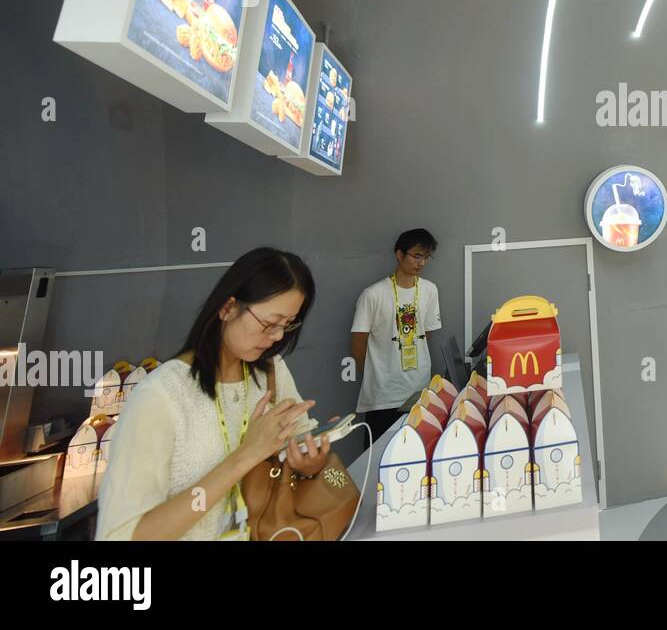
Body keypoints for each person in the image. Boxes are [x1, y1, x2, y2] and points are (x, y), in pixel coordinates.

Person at [96, 248, 328, 540]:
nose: (279, 337)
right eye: (270, 323)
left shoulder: (270, 372)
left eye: (288, 324)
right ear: (228, 308)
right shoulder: (160, 398)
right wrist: (246, 455)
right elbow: (121, 536)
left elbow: (299, 448)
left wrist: (310, 464)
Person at [350, 228, 442, 436]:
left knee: (416, 454)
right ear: (399, 254)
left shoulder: (430, 290)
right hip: (382, 396)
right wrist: (379, 372)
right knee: (378, 458)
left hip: (419, 389)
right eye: (417, 256)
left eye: (427, 257)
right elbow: (357, 345)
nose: (422, 263)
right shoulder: (373, 294)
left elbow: (425, 334)